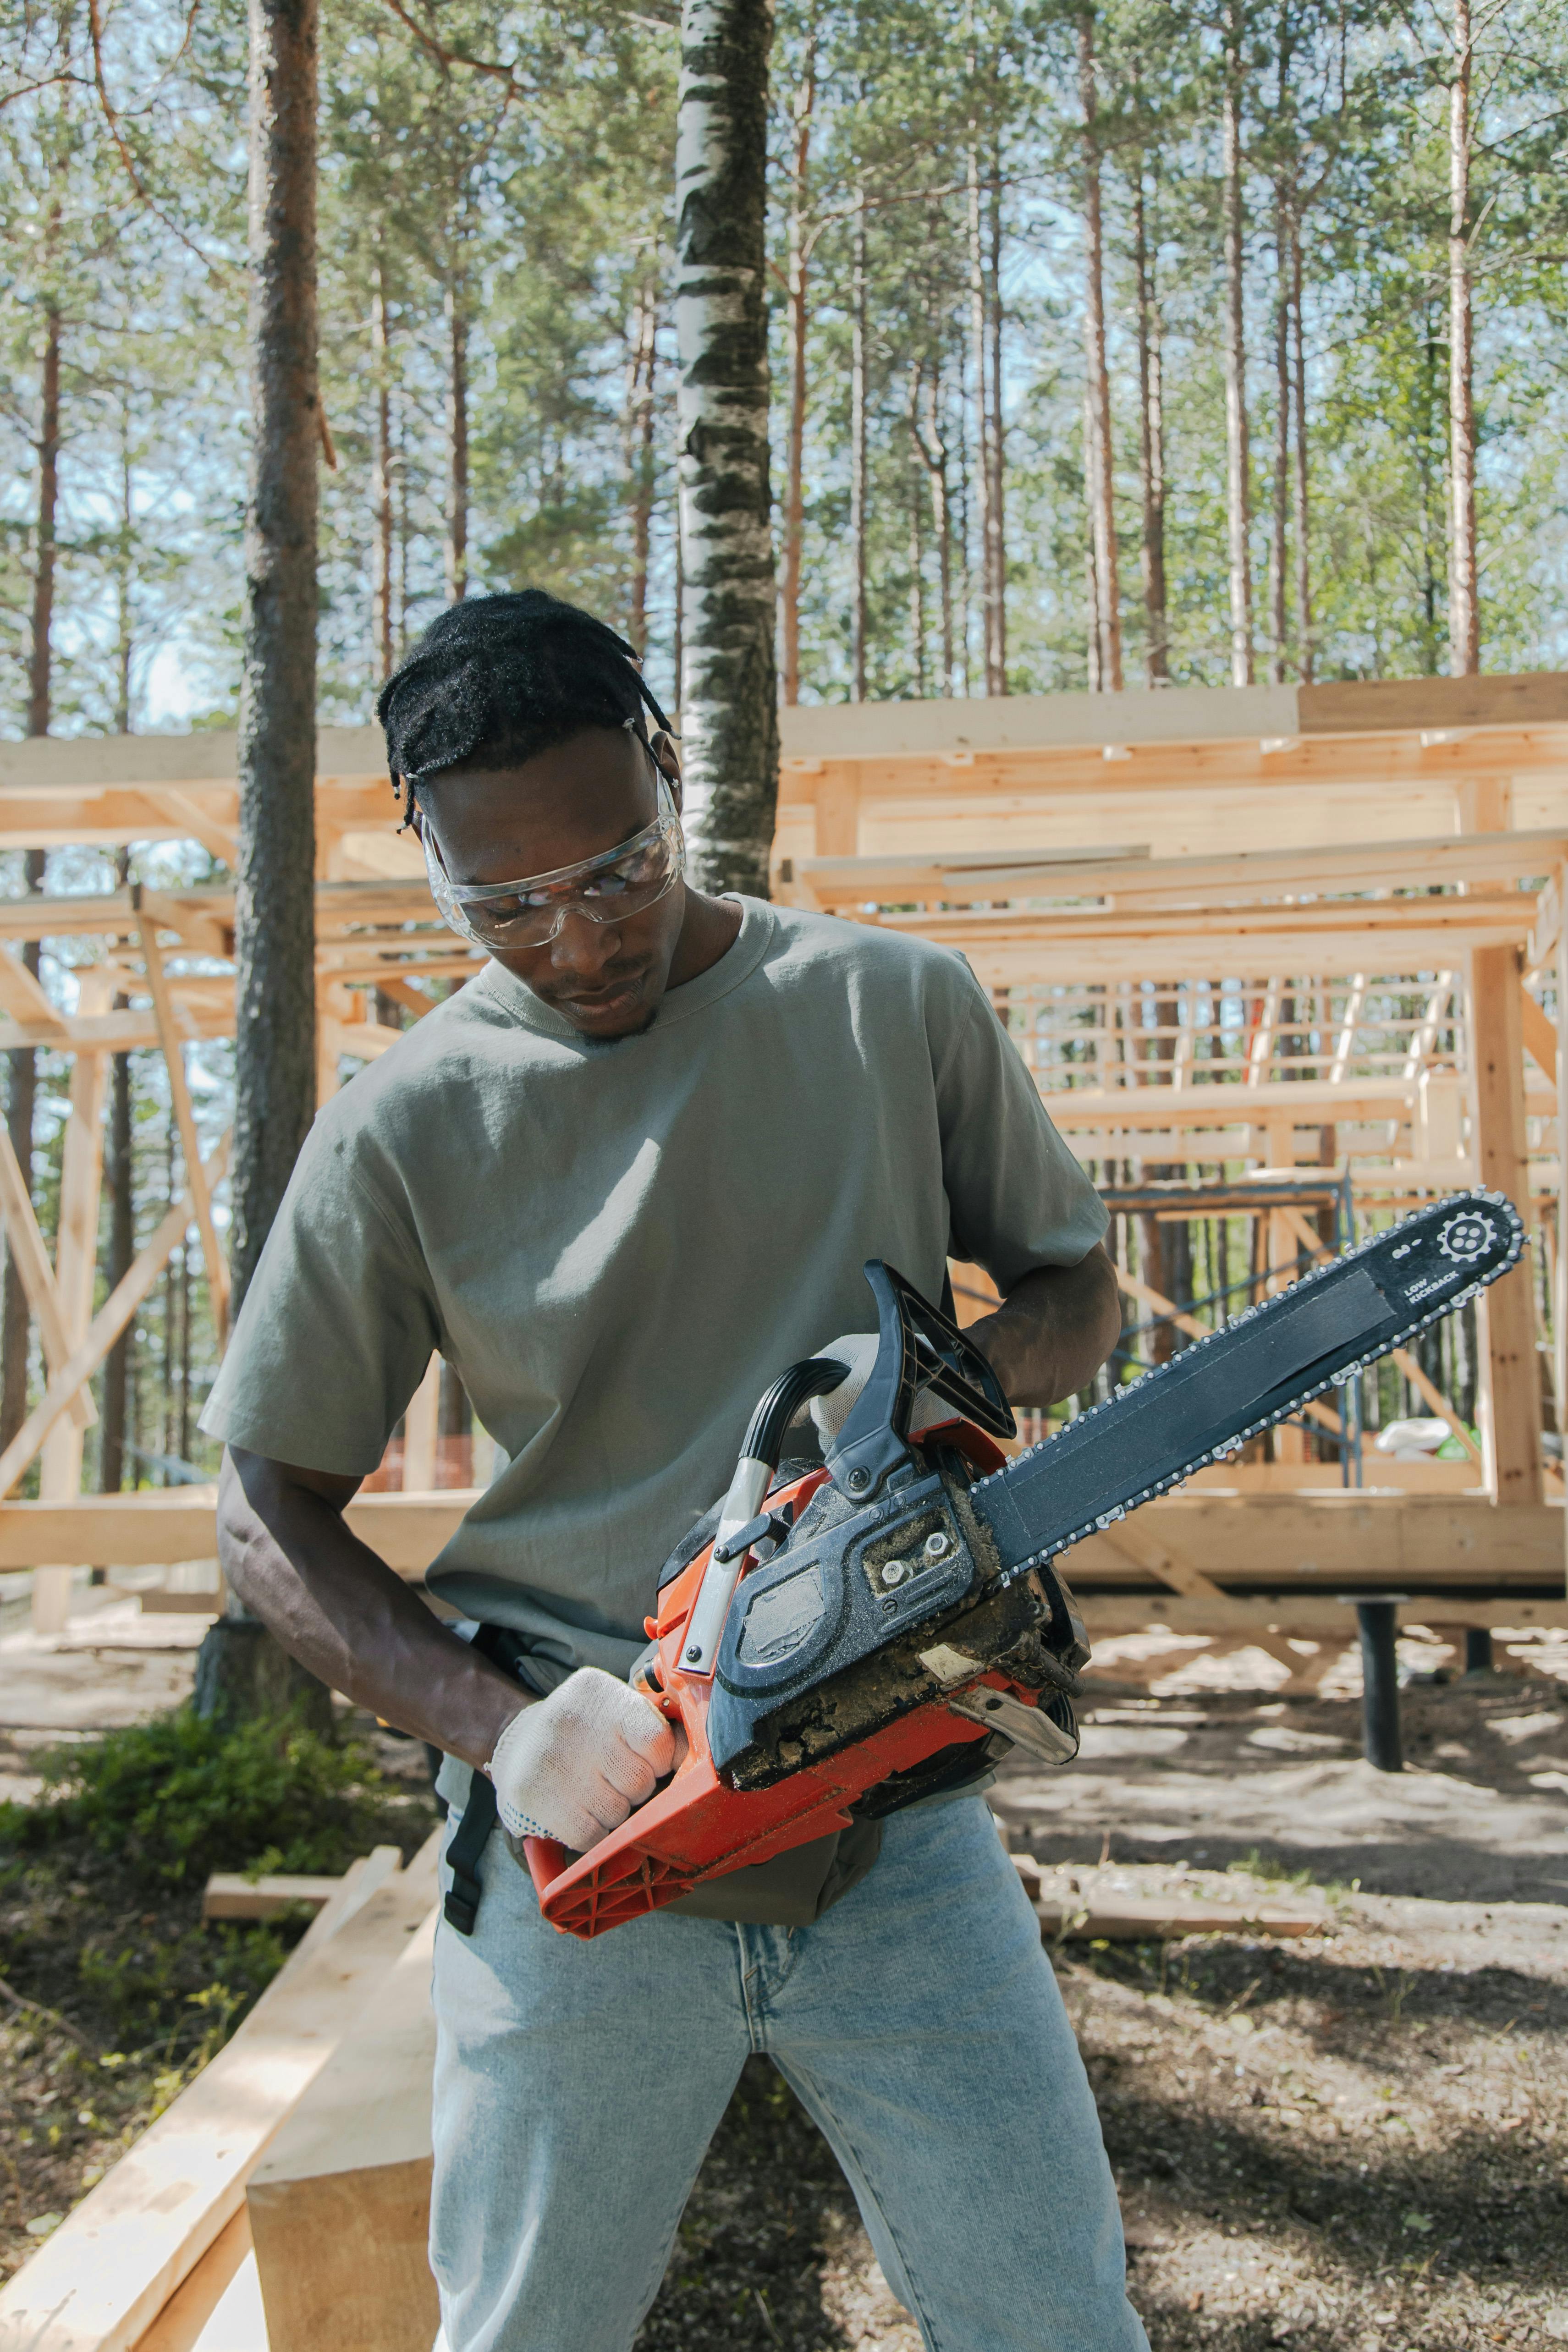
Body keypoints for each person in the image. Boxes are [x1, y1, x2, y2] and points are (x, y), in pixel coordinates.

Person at [202, 588, 1149, 2352]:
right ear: (437, 873)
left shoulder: (888, 1004)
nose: (573, 936)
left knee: (1054, 2317)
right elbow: (266, 1511)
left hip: (902, 1818)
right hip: (589, 1831)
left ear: (666, 766)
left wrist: (938, 1384)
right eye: (505, 903)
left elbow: (1073, 1286)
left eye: (617, 869)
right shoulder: (406, 1119)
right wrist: (504, 1724)